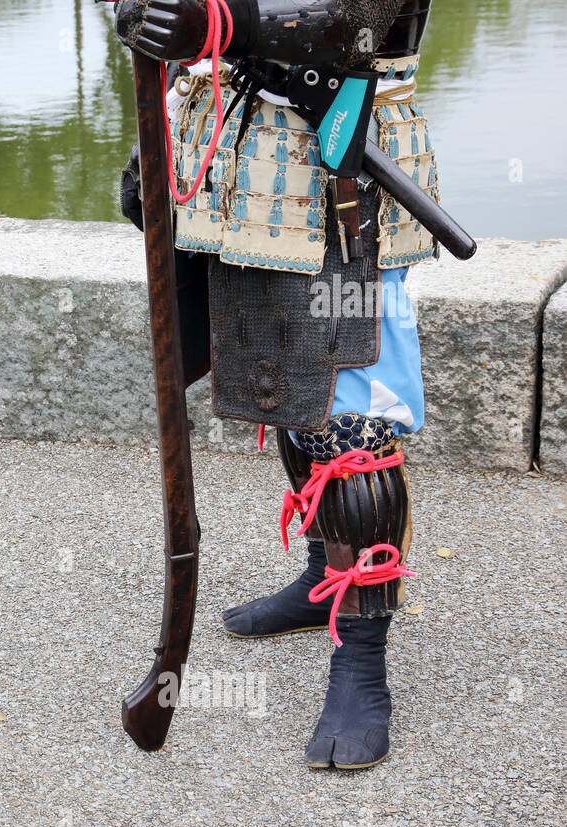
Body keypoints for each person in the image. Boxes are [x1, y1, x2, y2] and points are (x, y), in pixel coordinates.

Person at [116, 0, 440, 769]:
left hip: (342, 165)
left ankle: (362, 662)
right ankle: (321, 571)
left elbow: (348, 18)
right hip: (232, 141)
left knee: (349, 419)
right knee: (281, 378)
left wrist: (217, 21)